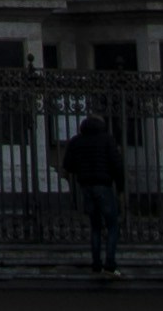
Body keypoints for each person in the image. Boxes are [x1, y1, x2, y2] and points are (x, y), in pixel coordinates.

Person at [61, 110, 125, 282]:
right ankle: (110, 264)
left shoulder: (76, 141)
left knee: (95, 226)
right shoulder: (107, 139)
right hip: (103, 185)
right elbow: (117, 164)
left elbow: (68, 164)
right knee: (112, 225)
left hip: (85, 186)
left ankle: (96, 264)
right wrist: (120, 188)